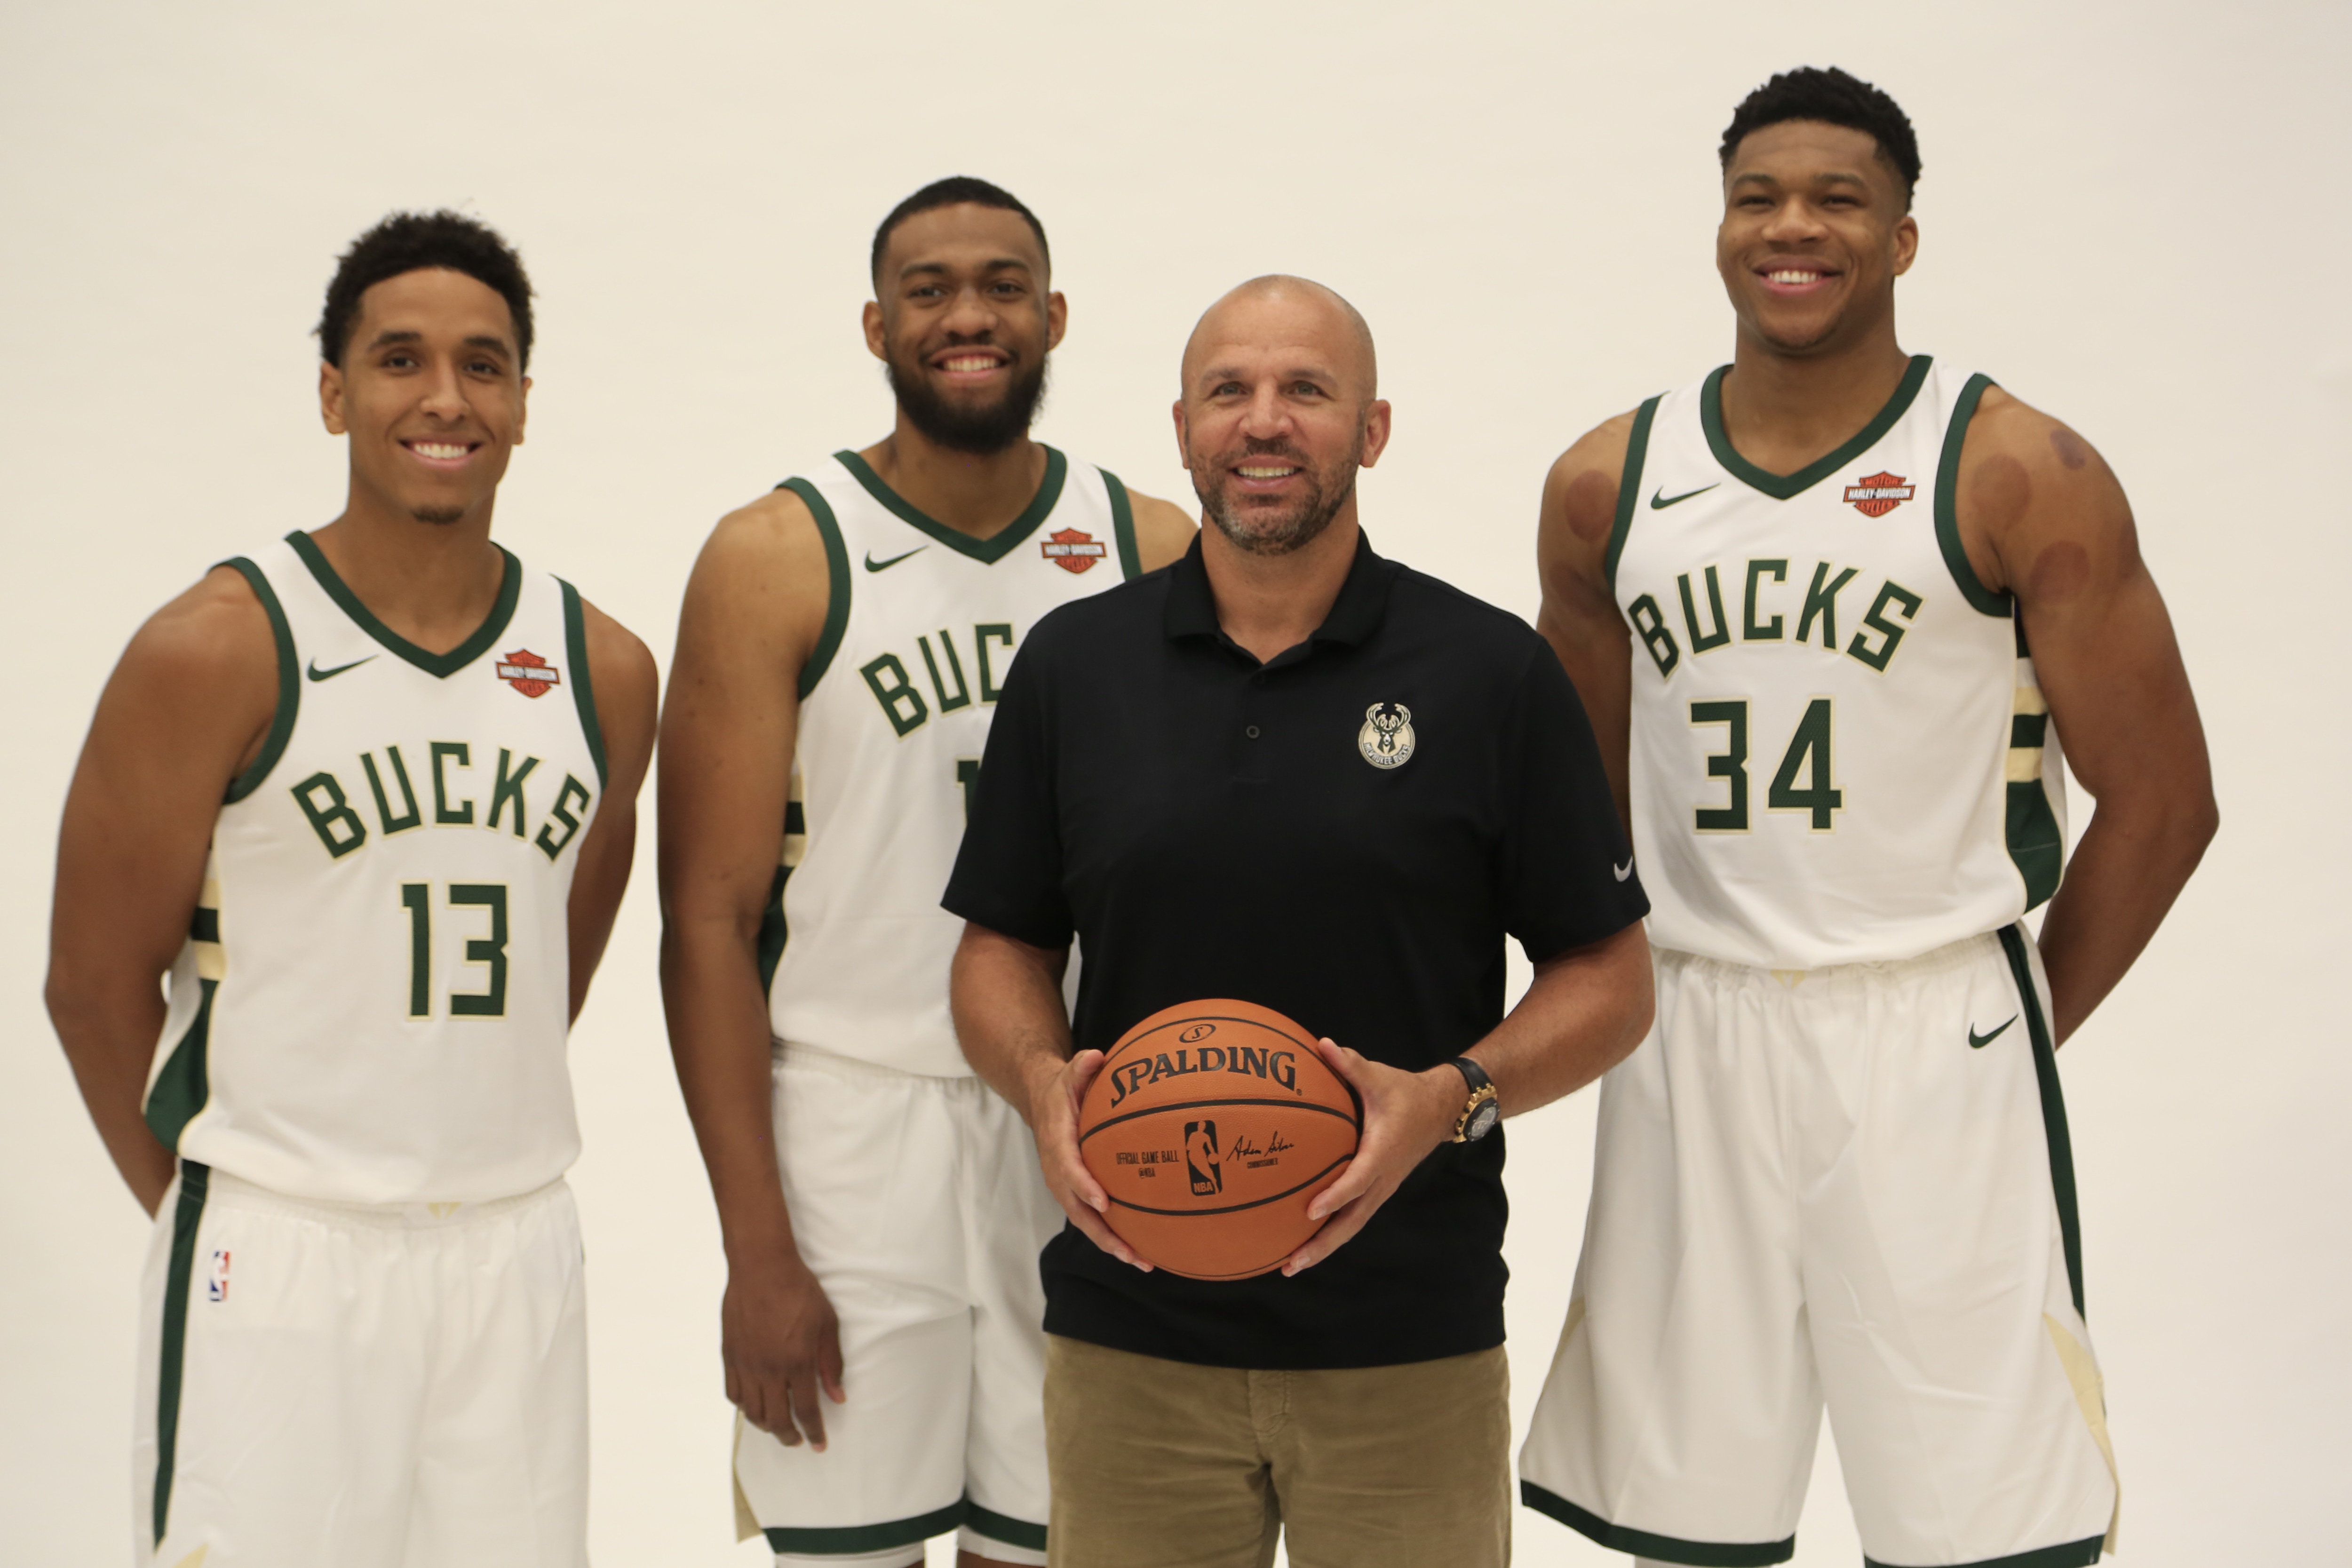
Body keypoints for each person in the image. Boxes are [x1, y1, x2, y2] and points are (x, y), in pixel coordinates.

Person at [1516, 67, 2217, 1568]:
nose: (1793, 228)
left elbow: (2164, 803)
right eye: (1759, 196)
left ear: (1903, 239)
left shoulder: (2020, 467)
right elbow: (1566, 815)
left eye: (1839, 199)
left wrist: (2018, 1016)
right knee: (1683, 1526)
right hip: (1694, 1020)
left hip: (1934, 1018)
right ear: (1718, 226)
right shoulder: (1604, 486)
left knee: (1982, 1531)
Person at [943, 275, 1654, 1568]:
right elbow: (1001, 944)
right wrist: (1042, 1081)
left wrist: (1458, 1094)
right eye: (1231, 391)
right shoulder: (1074, 666)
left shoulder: (1489, 672)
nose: (1264, 424)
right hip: (1130, 1336)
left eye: (1306, 393)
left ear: (1372, 430)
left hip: (1410, 1338)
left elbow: (1609, 974)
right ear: (1182, 427)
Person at [45, 210, 659, 1568]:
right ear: (334, 392)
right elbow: (90, 990)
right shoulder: (215, 648)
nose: (445, 399)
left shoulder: (604, 668)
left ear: (523, 403)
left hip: (514, 1250)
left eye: (484, 366)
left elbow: (566, 937)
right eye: (400, 360)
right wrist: (229, 1207)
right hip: (280, 1253)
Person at [659, 176, 1196, 1568]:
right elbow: (708, 926)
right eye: (931, 289)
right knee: (850, 1547)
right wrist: (755, 1250)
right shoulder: (777, 555)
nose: (970, 315)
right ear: (875, 324)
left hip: (1085, 1119)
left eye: (1004, 285)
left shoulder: (1150, 547)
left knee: (1053, 1543)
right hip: (853, 1125)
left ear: (1055, 314)